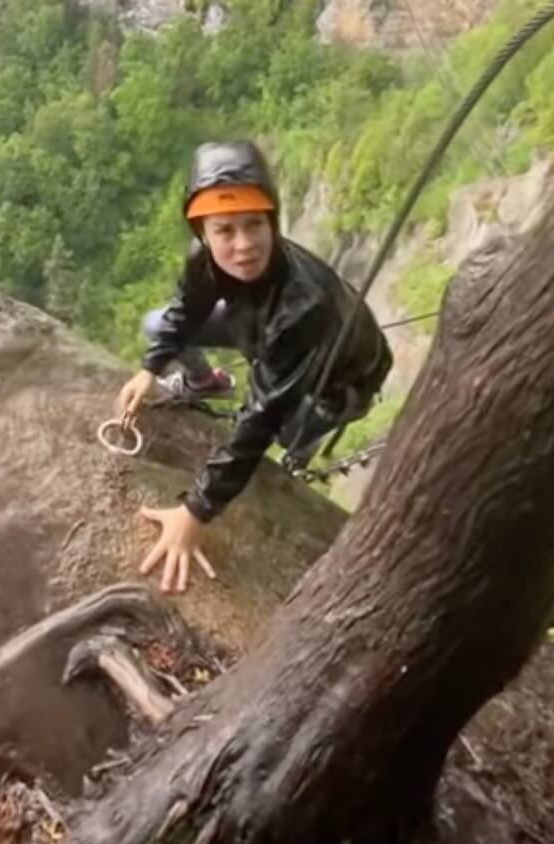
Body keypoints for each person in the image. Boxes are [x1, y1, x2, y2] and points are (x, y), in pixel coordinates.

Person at [117, 140, 392, 594]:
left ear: (272, 222)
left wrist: (196, 512)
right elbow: (186, 312)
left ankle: (301, 454)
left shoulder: (306, 302)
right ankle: (206, 383)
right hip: (257, 324)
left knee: (285, 431)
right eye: (225, 231)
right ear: (204, 233)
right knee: (156, 325)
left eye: (254, 225)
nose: (243, 245)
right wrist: (149, 369)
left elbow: (259, 417)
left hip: (337, 373)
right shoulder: (203, 259)